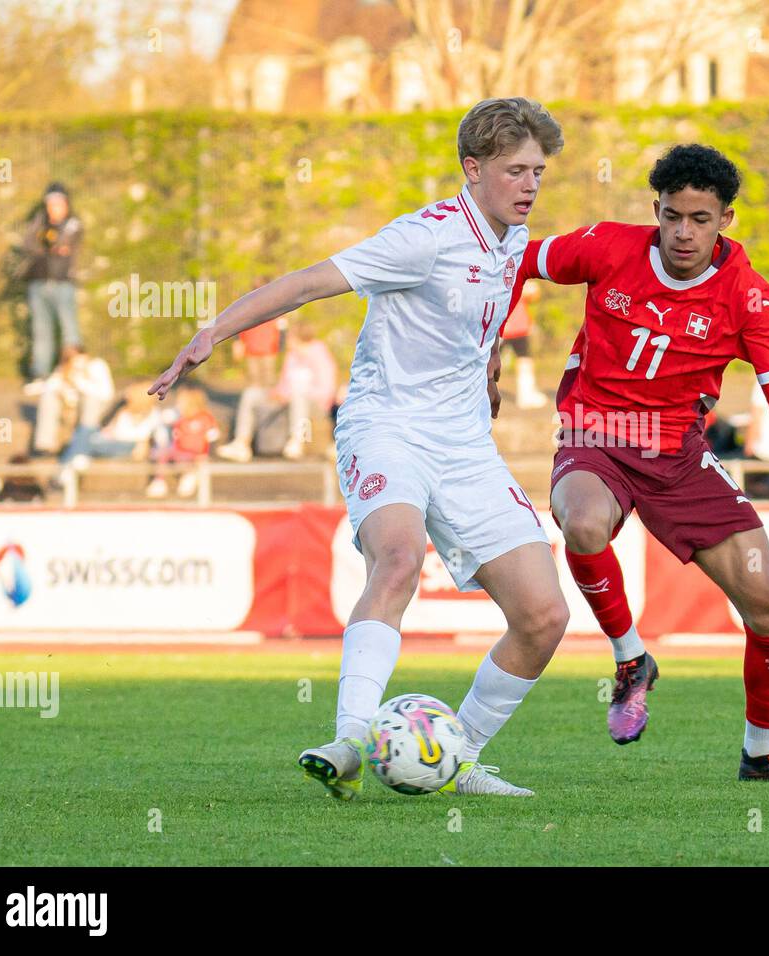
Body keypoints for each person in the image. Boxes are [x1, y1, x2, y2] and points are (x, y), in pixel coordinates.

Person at [149, 97, 568, 799]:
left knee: (543, 616)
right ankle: (350, 739)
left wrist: (488, 371)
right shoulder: (424, 236)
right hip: (387, 425)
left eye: (537, 172)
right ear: (473, 170)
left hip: (464, 441)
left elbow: (476, 320)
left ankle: (456, 758)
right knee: (399, 559)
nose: (529, 185)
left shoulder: (514, 243)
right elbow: (310, 282)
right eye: (514, 171)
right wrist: (212, 334)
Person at [510, 144, 769, 783]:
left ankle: (764, 757)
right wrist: (489, 354)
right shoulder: (607, 246)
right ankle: (630, 659)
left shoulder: (748, 297)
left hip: (678, 454)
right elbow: (518, 259)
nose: (683, 232)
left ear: (726, 218)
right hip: (598, 432)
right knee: (582, 522)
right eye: (672, 216)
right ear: (656, 211)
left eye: (700, 218)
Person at [216, 321, 338, 461]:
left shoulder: (320, 356)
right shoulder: (292, 355)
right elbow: (284, 383)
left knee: (299, 396)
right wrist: (279, 393)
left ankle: (297, 441)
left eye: (290, 338)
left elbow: (326, 390)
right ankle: (241, 443)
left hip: (316, 405)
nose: (286, 340)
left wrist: (293, 393)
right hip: (289, 400)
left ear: (297, 339)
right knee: (252, 393)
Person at [22, 182, 84, 387]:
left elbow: (61, 244)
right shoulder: (39, 221)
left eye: (58, 203)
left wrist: (48, 243)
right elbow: (29, 243)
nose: (54, 208)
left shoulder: (73, 223)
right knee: (41, 330)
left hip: (63, 284)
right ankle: (41, 376)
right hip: (38, 283)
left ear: (66, 203)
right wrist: (45, 241)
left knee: (69, 330)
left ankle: (73, 375)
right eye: (50, 203)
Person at [58, 382, 169, 474]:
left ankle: (69, 466)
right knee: (85, 430)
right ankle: (76, 460)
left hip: (132, 447)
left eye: (132, 393)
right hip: (112, 443)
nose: (127, 396)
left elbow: (162, 440)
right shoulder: (121, 411)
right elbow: (106, 429)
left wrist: (147, 444)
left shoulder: (154, 415)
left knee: (87, 439)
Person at [31, 345, 114, 456]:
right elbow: (49, 386)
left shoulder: (97, 366)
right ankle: (45, 445)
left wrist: (78, 381)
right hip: (72, 408)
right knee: (48, 397)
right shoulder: (65, 369)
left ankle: (83, 443)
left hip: (97, 408)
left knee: (90, 401)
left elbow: (106, 394)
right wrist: (62, 386)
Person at [146, 385, 221, 499]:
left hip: (196, 454)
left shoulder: (205, 417)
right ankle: (159, 480)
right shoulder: (180, 417)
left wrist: (207, 453)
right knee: (163, 453)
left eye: (181, 402)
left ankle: (189, 477)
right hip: (180, 451)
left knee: (197, 460)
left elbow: (213, 436)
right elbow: (166, 419)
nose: (179, 405)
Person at [502, 283, 547, 408]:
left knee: (525, 360)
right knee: (486, 362)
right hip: (504, 327)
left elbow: (534, 294)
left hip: (519, 327)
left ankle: (526, 395)